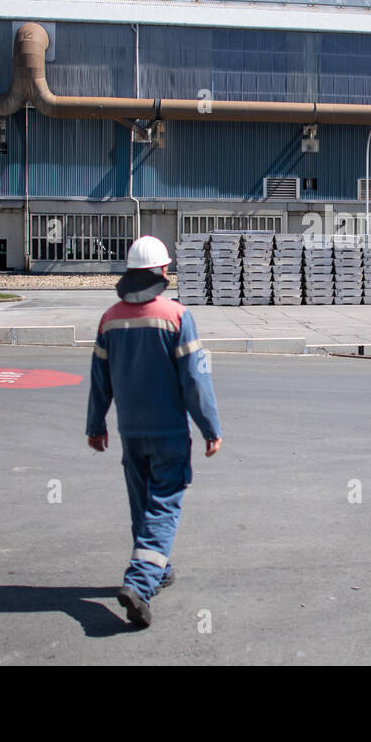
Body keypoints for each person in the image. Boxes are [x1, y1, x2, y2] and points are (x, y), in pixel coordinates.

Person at [85, 236, 223, 629]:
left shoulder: (109, 318)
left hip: (130, 432)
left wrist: (96, 425)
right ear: (163, 272)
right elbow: (196, 380)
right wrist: (211, 427)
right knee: (164, 504)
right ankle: (140, 582)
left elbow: (99, 380)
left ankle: (157, 571)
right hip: (169, 434)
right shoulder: (177, 315)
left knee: (143, 506)